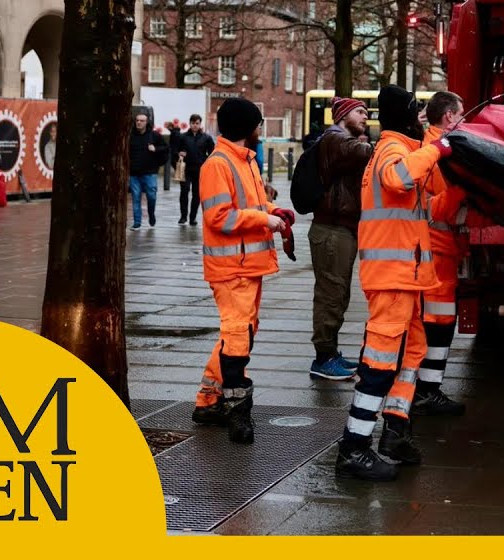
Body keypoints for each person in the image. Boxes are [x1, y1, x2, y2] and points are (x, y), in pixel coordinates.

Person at [336, 85, 453, 482]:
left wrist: (442, 150)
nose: (419, 116)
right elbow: (398, 179)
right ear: (404, 115)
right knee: (380, 363)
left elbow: (428, 195)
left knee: (411, 352)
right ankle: (354, 448)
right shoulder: (391, 151)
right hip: (393, 277)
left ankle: (395, 432)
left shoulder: (401, 147)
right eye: (415, 111)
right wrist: (437, 149)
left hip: (408, 276)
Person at [191, 98, 295, 443]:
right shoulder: (219, 164)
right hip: (231, 267)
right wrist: (267, 219)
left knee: (240, 333)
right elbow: (220, 217)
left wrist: (273, 210)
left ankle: (209, 400)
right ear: (247, 128)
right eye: (258, 123)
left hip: (245, 265)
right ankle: (237, 411)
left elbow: (249, 204)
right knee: (238, 335)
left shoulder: (242, 160)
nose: (261, 129)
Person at [308, 97, 373, 381]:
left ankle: (330, 353)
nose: (365, 118)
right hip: (331, 229)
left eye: (367, 113)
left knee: (338, 293)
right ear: (343, 115)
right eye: (360, 112)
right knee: (330, 294)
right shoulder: (335, 138)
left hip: (340, 228)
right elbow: (361, 152)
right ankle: (323, 358)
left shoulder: (341, 139)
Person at [416, 90, 469, 416]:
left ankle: (426, 388)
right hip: (436, 251)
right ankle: (427, 391)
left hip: (438, 249)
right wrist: (464, 189)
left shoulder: (433, 148)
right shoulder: (439, 154)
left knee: (436, 321)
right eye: (461, 114)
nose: (462, 120)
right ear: (449, 116)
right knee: (437, 322)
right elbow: (436, 207)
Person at [129, 113, 168, 230]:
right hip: (134, 173)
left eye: (142, 120)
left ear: (147, 122)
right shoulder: (130, 136)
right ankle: (137, 222)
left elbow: (166, 147)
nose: (139, 123)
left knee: (151, 197)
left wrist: (155, 149)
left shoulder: (154, 135)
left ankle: (151, 214)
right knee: (136, 198)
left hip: (150, 173)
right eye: (137, 120)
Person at [175, 114, 216, 226]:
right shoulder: (183, 137)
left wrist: (206, 162)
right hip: (186, 169)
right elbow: (175, 150)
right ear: (190, 123)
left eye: (197, 123)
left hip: (200, 170)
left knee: (197, 194)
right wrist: (179, 153)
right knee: (184, 192)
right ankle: (183, 217)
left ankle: (192, 218)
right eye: (193, 123)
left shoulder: (206, 138)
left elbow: (212, 153)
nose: (195, 125)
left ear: (200, 124)